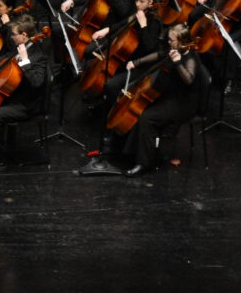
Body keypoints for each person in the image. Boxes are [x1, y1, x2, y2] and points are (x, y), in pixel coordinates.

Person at [80, 18, 203, 176]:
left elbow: (189, 80)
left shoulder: (190, 58)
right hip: (168, 94)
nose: (168, 42)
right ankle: (127, 152)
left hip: (182, 102)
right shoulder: (173, 49)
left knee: (147, 117)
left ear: (181, 42)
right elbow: (159, 54)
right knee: (138, 110)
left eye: (171, 40)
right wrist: (137, 62)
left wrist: (178, 63)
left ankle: (144, 163)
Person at [0, 16, 55, 171]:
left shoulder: (38, 56)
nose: (11, 37)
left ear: (24, 35)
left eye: (14, 34)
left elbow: (37, 83)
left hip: (28, 104)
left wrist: (25, 61)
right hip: (15, 96)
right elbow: (7, 58)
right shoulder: (21, 46)